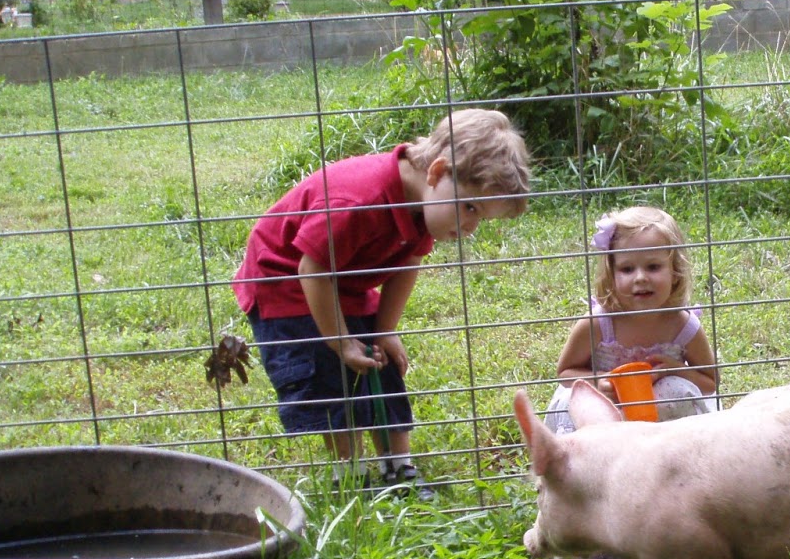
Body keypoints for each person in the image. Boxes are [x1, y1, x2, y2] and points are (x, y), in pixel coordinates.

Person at [233, 107, 531, 499]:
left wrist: (384, 330)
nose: (471, 227)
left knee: (380, 360)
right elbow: (312, 268)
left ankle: (399, 467)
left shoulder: (425, 204)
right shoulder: (360, 199)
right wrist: (341, 341)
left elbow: (408, 263)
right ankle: (349, 473)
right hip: (288, 281)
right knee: (332, 373)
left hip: (344, 277)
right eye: (470, 208)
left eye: (482, 218)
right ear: (437, 172)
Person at [545, 205, 718, 434]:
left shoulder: (682, 325)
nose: (640, 278)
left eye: (653, 267)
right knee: (575, 401)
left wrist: (675, 370)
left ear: (675, 272)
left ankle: (675, 452)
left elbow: (710, 382)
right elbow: (565, 373)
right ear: (611, 275)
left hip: (661, 418)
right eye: (627, 269)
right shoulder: (599, 323)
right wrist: (600, 381)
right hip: (606, 413)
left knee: (677, 390)